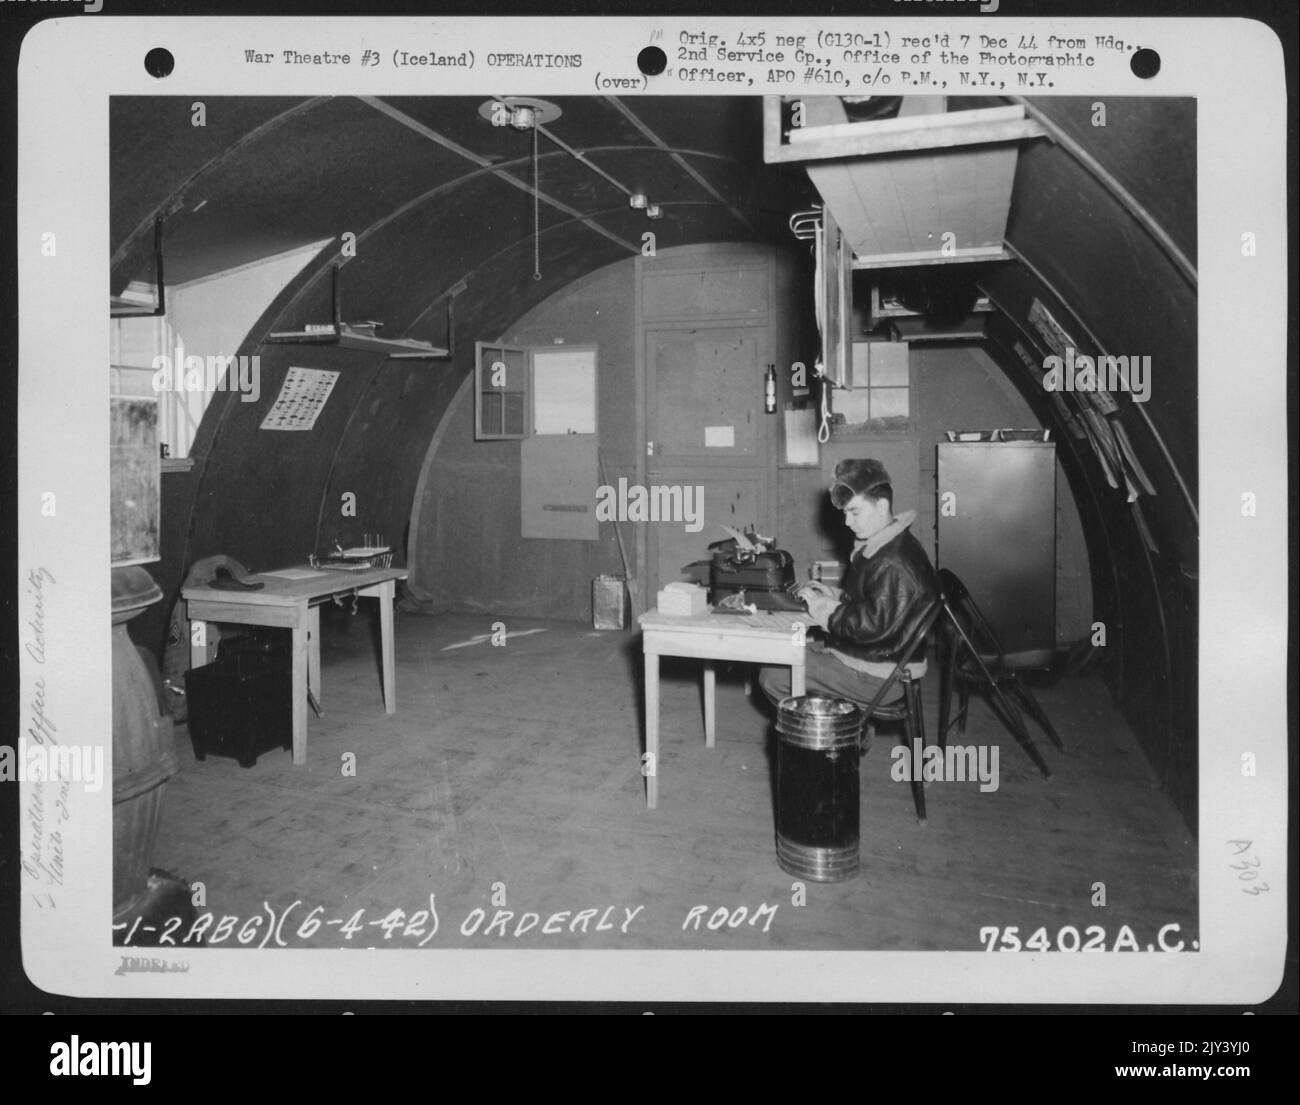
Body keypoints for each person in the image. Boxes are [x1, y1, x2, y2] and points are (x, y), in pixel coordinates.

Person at [759, 459, 939, 734]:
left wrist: (825, 611)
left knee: (774, 674)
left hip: (878, 676)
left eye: (854, 512)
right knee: (788, 655)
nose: (846, 521)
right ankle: (839, 728)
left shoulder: (893, 562)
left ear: (881, 506)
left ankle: (833, 737)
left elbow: (873, 625)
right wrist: (834, 596)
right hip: (875, 660)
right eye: (845, 513)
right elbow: (876, 604)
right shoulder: (885, 545)